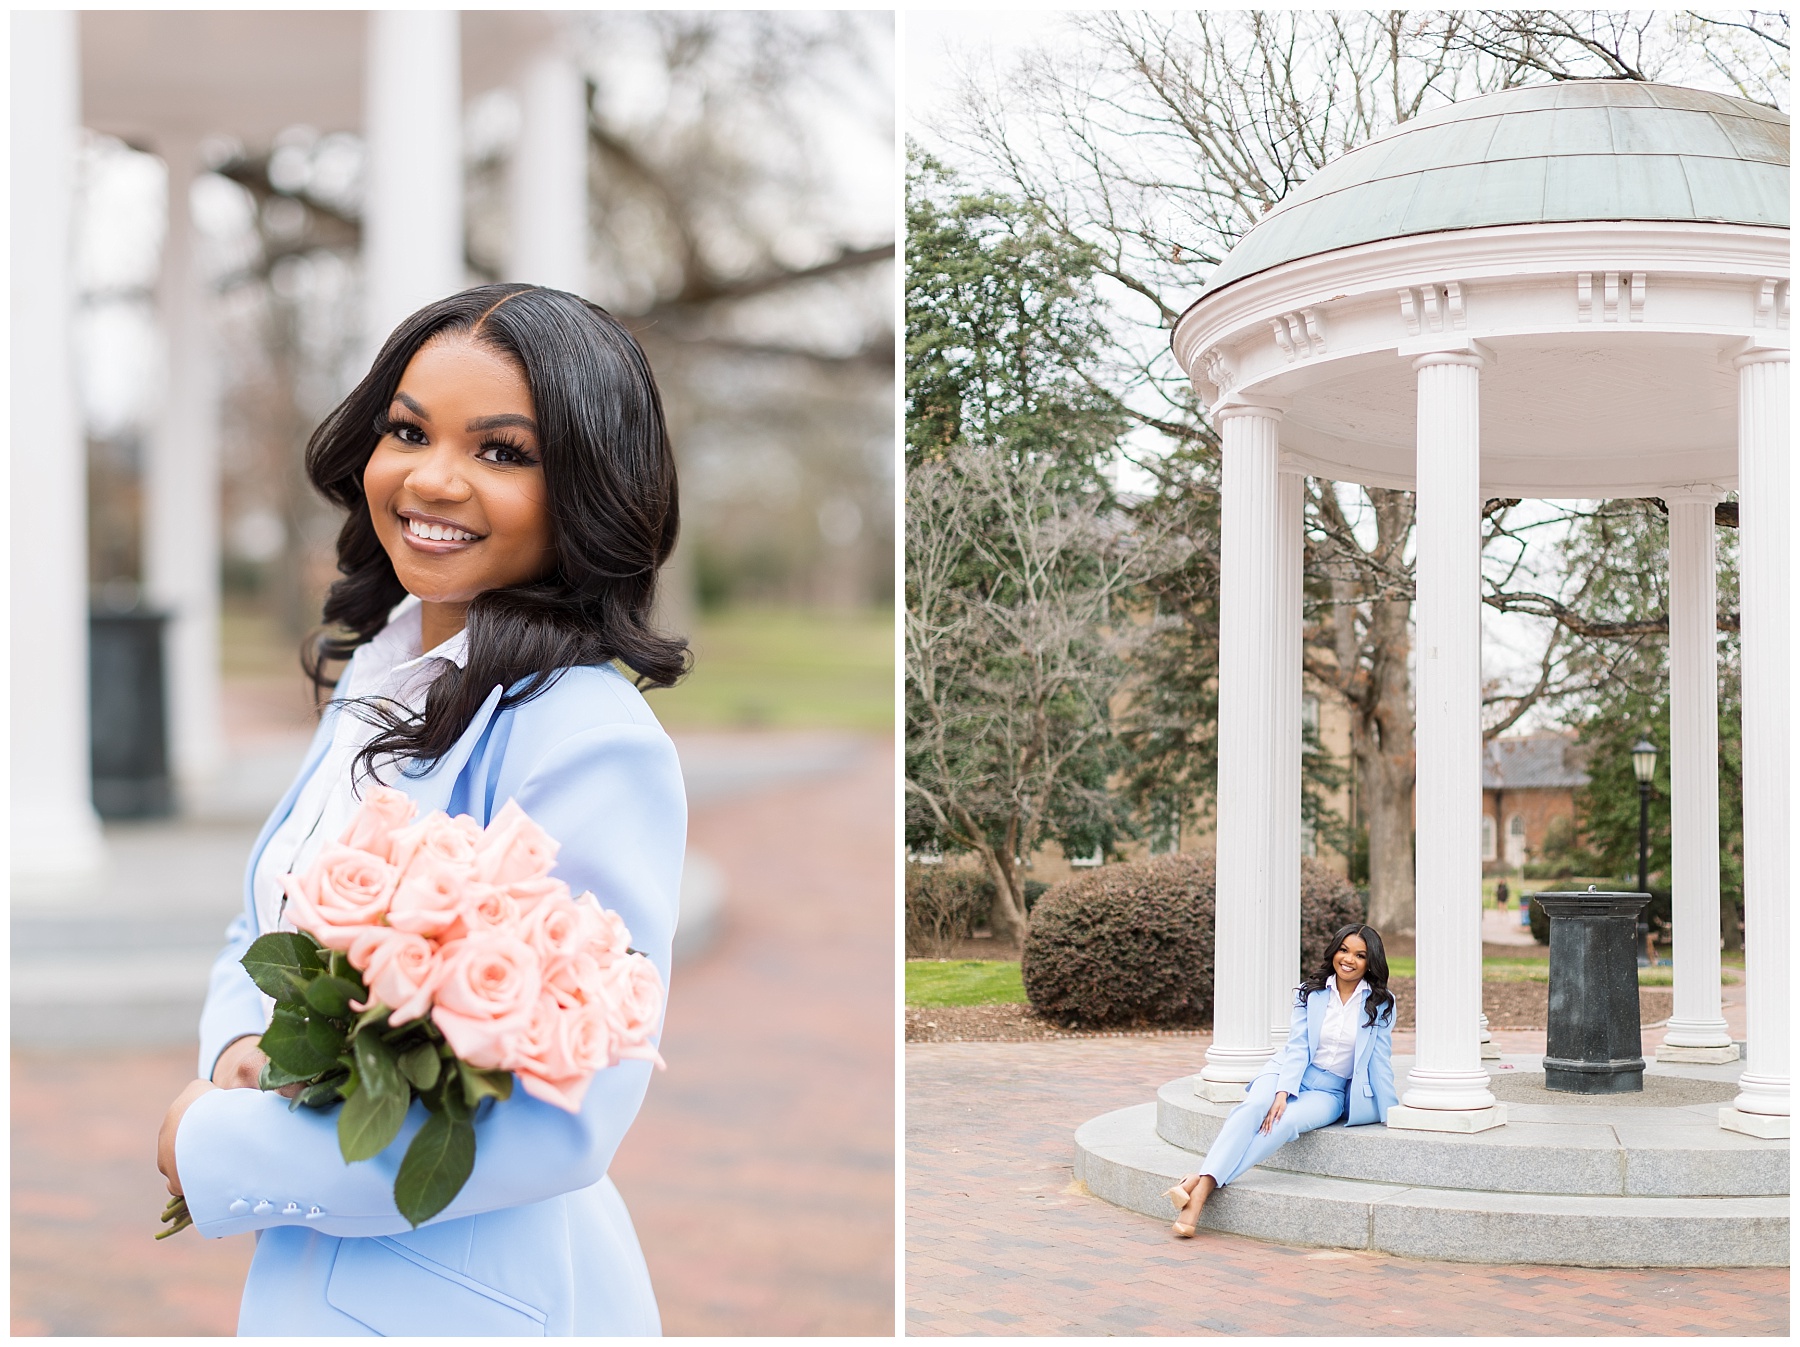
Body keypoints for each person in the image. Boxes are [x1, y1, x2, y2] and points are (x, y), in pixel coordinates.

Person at [154, 285, 688, 1335]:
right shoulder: (386, 669)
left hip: (466, 1299)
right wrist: (233, 1060)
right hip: (325, 1285)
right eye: (407, 431)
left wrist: (209, 1146)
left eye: (502, 452)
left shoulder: (586, 740)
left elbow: (565, 1115)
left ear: (588, 487)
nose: (433, 479)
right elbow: (264, 923)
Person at [1167, 924, 1398, 1238]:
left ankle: (1199, 1182)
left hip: (1329, 1091)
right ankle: (1201, 1195)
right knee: (1255, 1109)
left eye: (1359, 955)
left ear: (1371, 962)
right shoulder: (1311, 992)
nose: (1348, 959)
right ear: (1334, 951)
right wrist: (1283, 1090)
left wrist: (1392, 1113)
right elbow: (1298, 1046)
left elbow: (1380, 1061)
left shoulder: (1381, 1003)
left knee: (1283, 1124)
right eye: (1343, 950)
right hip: (1286, 1071)